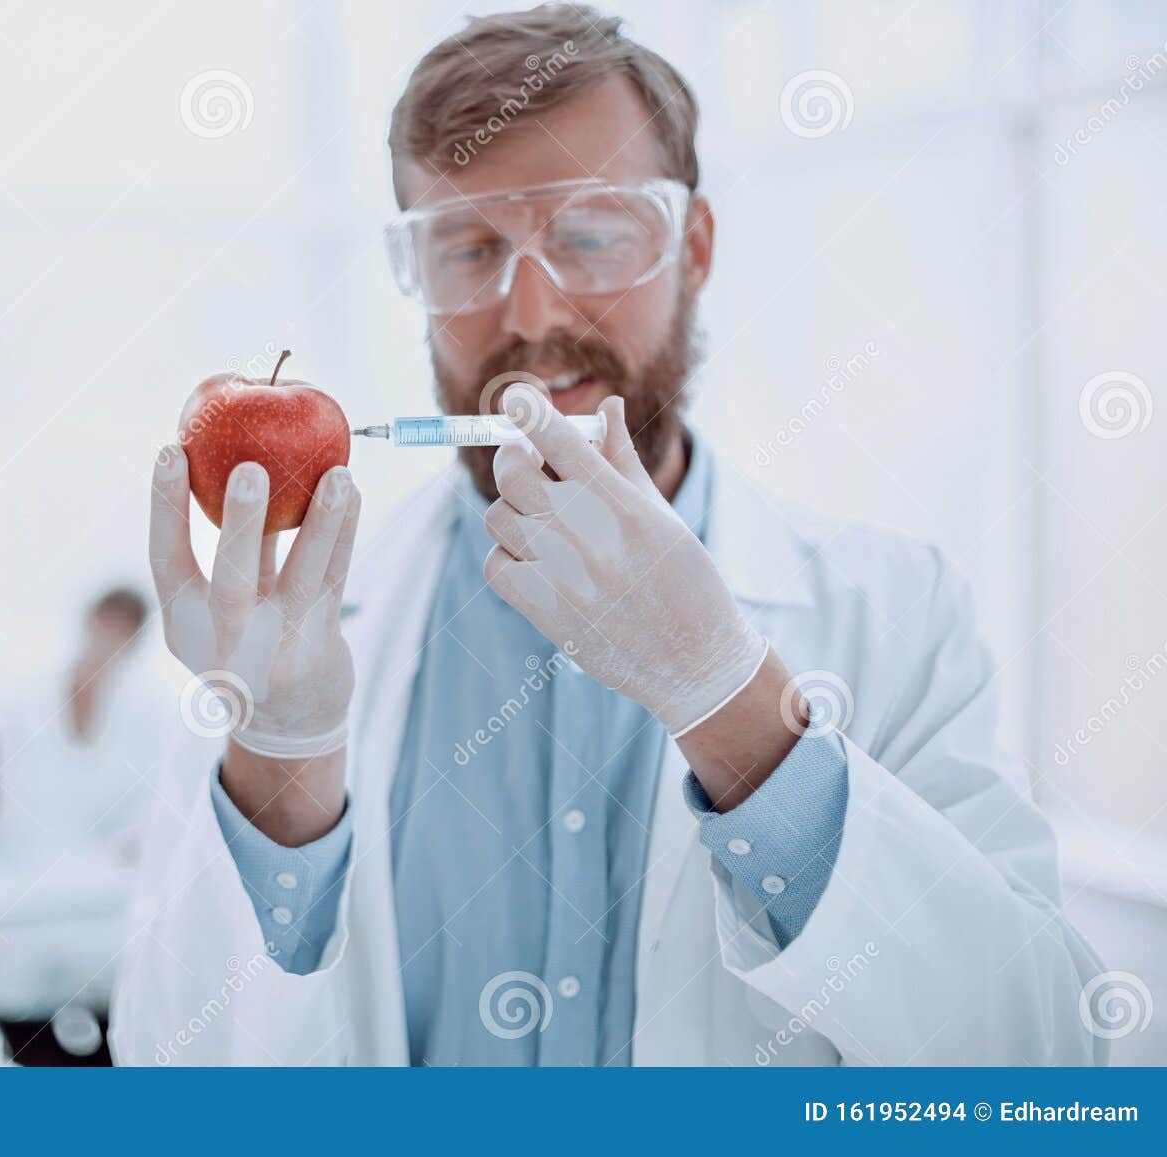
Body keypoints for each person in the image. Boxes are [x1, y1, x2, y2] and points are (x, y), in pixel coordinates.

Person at [115, 5, 1105, 1066]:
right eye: (470, 247)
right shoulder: (289, 636)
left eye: (591, 235)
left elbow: (1040, 1056)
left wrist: (730, 702)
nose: (533, 314)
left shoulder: (896, 613)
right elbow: (176, 1068)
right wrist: (281, 760)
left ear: (695, 248)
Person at [0, 588, 167, 1066]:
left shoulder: (148, 717)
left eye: (123, 634)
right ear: (87, 622)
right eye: (105, 626)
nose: (109, 642)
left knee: (110, 1048)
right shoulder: (19, 705)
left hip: (103, 915)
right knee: (26, 1043)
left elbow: (147, 820)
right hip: (24, 909)